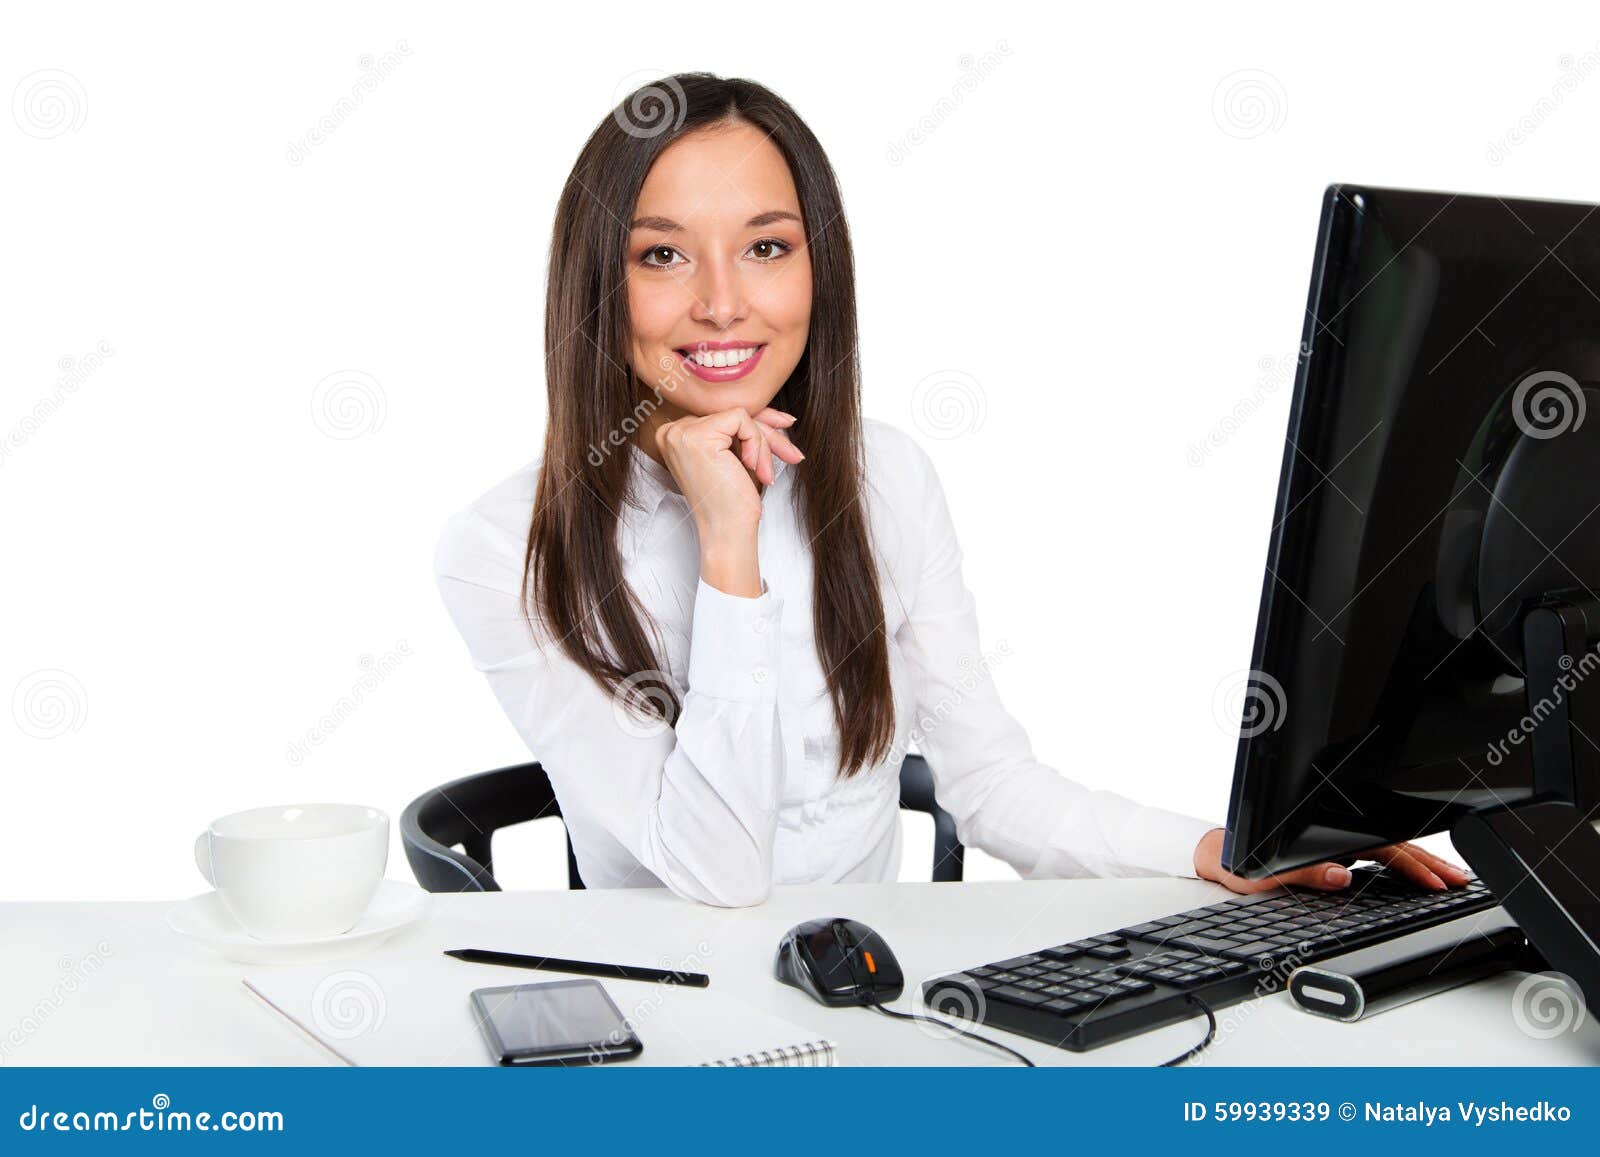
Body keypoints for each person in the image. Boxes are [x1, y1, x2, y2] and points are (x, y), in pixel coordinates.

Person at [433, 72, 1469, 906]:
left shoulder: (885, 478)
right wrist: (727, 544)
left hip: (865, 1012)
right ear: (595, 285)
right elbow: (721, 877)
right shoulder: (501, 548)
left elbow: (992, 784)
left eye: (765, 247)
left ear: (818, 270)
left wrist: (1225, 848)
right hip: (668, 1025)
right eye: (662, 254)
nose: (721, 302)